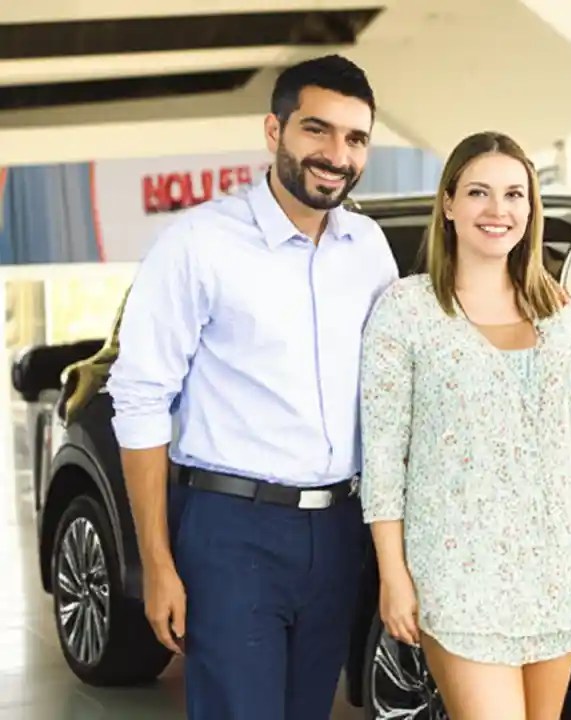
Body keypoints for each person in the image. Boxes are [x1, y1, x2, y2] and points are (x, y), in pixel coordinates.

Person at [106, 55, 398, 719]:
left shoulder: (370, 249)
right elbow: (140, 400)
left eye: (355, 138)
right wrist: (156, 562)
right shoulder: (198, 243)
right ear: (274, 130)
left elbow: (394, 390)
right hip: (233, 531)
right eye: (316, 130)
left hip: (340, 528)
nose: (335, 154)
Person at [358, 130, 571, 720]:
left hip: (559, 565)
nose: (498, 210)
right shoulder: (406, 309)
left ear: (531, 210)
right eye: (479, 192)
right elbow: (381, 457)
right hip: (459, 574)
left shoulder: (559, 312)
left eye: (514, 194)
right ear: (449, 204)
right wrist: (393, 575)